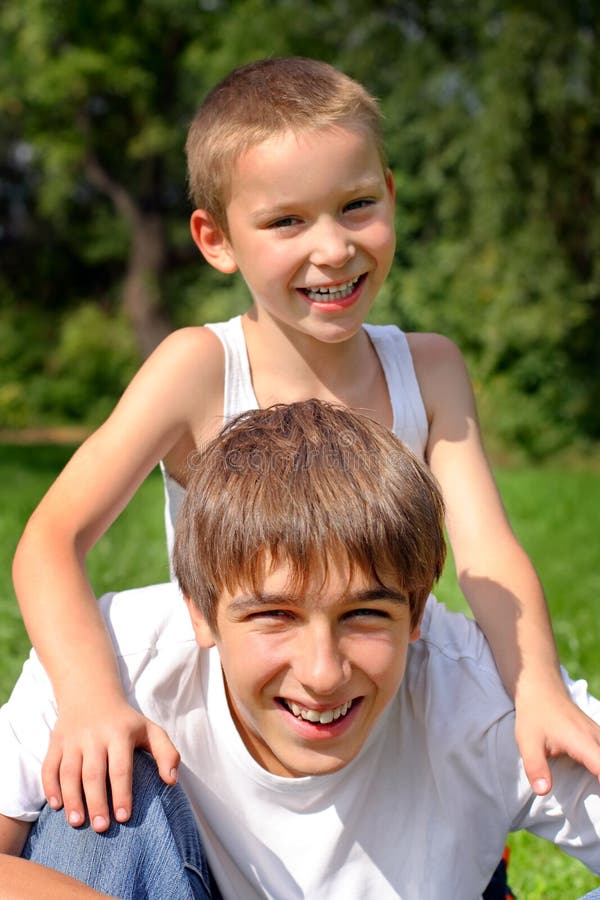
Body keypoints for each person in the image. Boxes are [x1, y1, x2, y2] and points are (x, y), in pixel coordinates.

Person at [12, 57, 600, 836]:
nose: (333, 249)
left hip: (382, 696)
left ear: (390, 194)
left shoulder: (429, 368)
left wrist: (539, 691)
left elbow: (486, 552)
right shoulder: (198, 368)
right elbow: (52, 539)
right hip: (250, 708)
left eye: (357, 206)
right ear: (216, 239)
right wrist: (90, 697)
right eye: (287, 221)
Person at [1, 401, 599, 899]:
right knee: (103, 773)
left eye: (364, 614)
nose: (322, 673)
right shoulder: (113, 668)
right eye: (274, 616)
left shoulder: (481, 695)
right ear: (202, 612)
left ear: (416, 612)